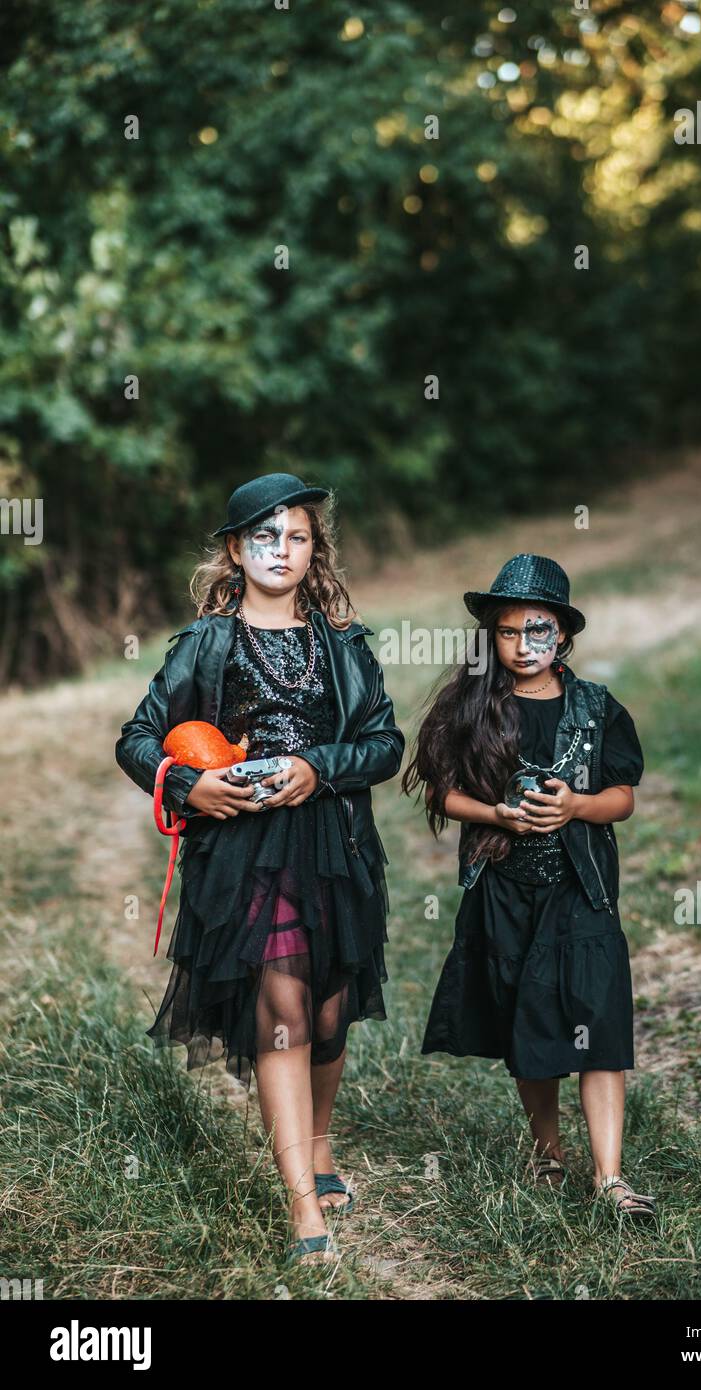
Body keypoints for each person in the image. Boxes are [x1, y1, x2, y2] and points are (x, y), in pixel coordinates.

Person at [115, 472, 404, 1261]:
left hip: (334, 849)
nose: (282, 549)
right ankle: (303, 1204)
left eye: (298, 536)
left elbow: (385, 744)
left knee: (330, 1014)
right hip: (246, 854)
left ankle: (318, 1142)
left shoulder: (344, 648)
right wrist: (188, 783)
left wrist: (320, 768)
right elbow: (137, 738)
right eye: (265, 536)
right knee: (282, 1011)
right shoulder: (204, 645)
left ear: (316, 551)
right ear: (237, 550)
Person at [402, 553, 656, 1220]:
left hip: (583, 888)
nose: (523, 645)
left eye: (537, 630)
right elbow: (444, 793)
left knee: (600, 1023)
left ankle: (610, 1179)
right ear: (493, 637)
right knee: (530, 1022)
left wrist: (575, 806)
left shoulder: (596, 708)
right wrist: (496, 815)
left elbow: (623, 797)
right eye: (508, 631)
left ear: (564, 636)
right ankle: (547, 1153)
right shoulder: (473, 707)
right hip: (507, 889)